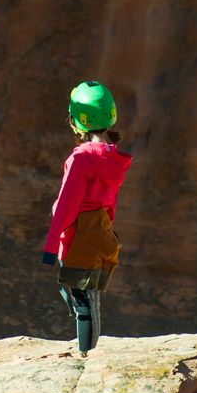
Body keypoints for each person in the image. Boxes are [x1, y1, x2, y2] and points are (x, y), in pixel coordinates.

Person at [41, 81, 131, 356]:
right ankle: (91, 349)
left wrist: (50, 244)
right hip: (101, 231)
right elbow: (110, 203)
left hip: (77, 235)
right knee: (93, 298)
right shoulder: (114, 158)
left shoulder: (81, 159)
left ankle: (85, 354)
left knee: (81, 302)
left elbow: (68, 204)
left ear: (78, 119)